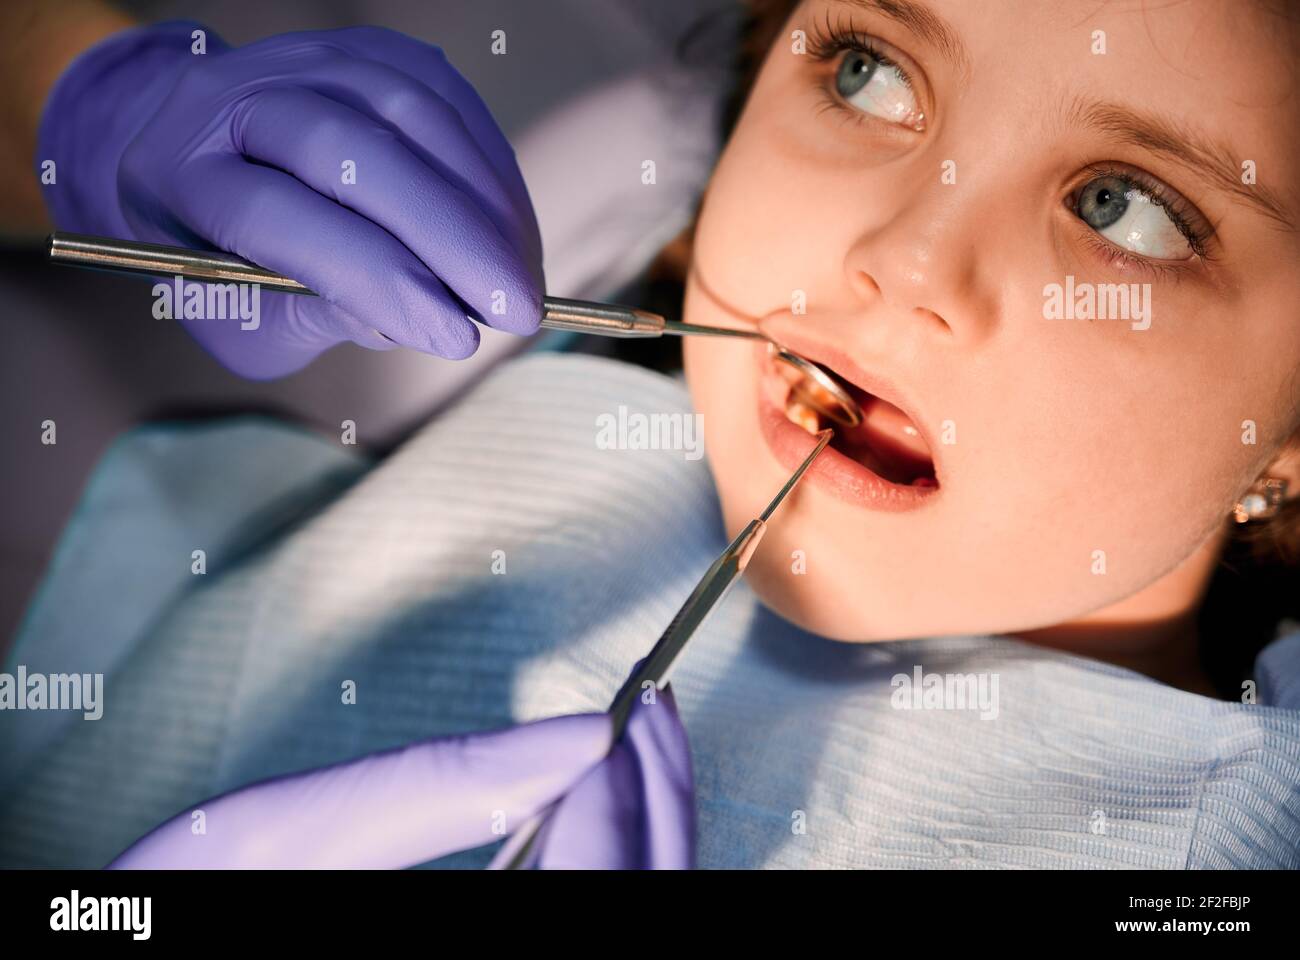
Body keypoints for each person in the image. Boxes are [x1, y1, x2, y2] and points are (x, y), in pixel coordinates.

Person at [3, 0, 1300, 869]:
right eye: (868, 70)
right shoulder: (589, 234)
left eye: (1125, 208)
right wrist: (93, 105)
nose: (898, 258)